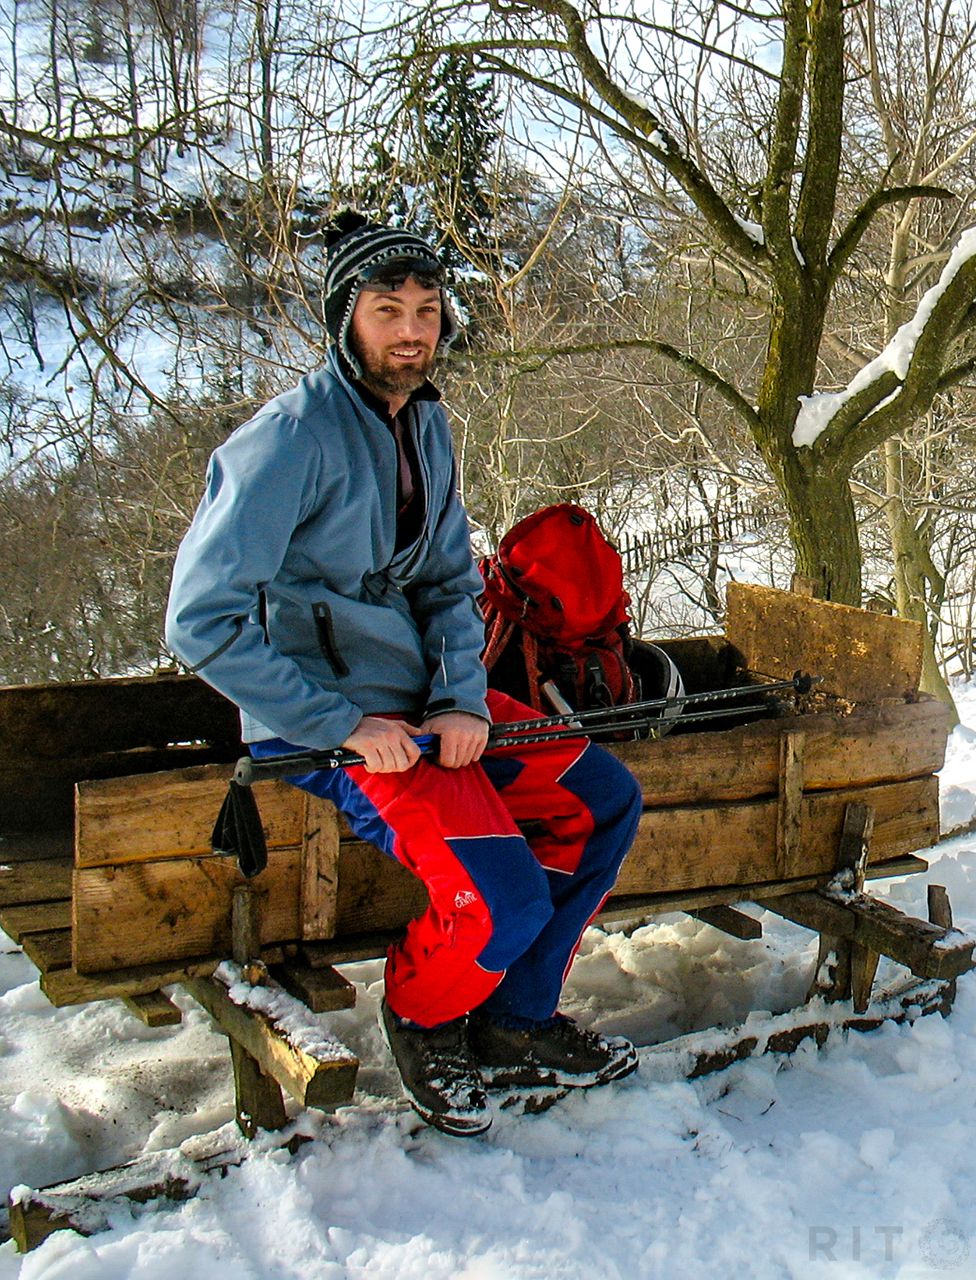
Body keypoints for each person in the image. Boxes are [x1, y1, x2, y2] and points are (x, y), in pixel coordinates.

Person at [165, 213, 643, 1136]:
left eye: (427, 308)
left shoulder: (424, 426)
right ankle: (426, 1018)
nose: (412, 329)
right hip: (334, 727)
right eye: (388, 310)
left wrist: (462, 695)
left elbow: (444, 582)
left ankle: (515, 1017)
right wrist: (339, 725)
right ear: (347, 319)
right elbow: (201, 619)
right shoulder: (289, 442)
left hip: (425, 708)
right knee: (500, 900)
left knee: (601, 798)